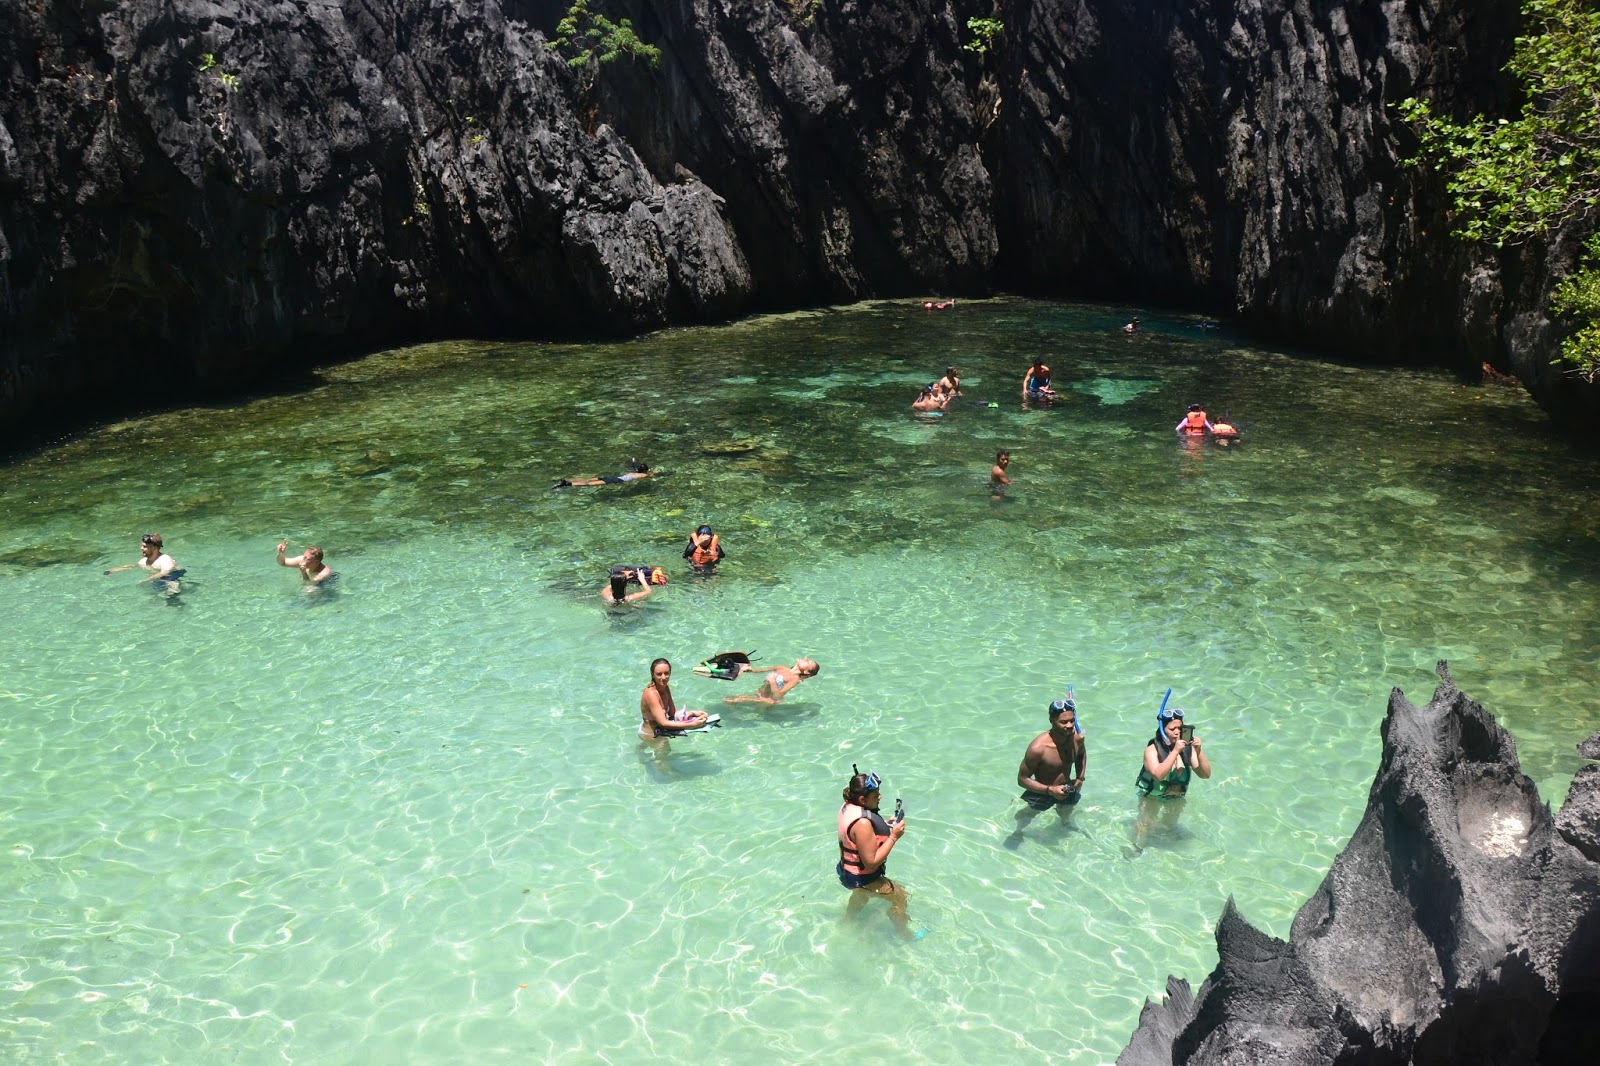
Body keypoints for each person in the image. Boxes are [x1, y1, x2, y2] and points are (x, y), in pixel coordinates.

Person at [837, 765, 913, 938]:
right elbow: (871, 862)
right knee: (900, 896)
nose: (880, 797)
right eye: (875, 795)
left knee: (861, 895)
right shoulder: (862, 823)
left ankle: (848, 921)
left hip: (848, 874)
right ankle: (903, 933)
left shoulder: (848, 807)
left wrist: (884, 825)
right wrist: (894, 836)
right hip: (863, 878)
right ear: (862, 799)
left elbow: (858, 837)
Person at [1133, 704, 1213, 850]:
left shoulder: (1187, 748)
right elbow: (1158, 775)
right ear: (1162, 729)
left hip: (1175, 797)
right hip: (1152, 797)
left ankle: (1164, 848)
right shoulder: (1152, 750)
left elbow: (1205, 774)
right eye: (1172, 729)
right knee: (1144, 825)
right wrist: (1175, 752)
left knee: (1169, 826)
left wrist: (1198, 750)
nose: (1177, 732)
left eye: (1180, 728)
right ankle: (1137, 848)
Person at [1018, 698, 1087, 809]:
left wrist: (1080, 778)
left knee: (1067, 816)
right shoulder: (1038, 748)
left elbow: (1081, 754)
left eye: (1072, 720)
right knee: (1024, 818)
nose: (1070, 725)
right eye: (1063, 722)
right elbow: (1022, 779)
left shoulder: (1077, 738)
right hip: (1042, 793)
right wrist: (1050, 790)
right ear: (1052, 720)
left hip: (1067, 789)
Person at [639, 658, 710, 738]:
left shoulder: (665, 687)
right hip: (651, 735)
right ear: (653, 675)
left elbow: (672, 713)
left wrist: (693, 713)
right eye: (659, 674)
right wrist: (692, 724)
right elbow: (663, 723)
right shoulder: (651, 694)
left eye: (666, 673)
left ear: (670, 673)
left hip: (661, 731)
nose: (664, 677)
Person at [104, 533, 182, 592]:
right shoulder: (144, 561)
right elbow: (133, 566)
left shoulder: (165, 559)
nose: (141, 548)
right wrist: (113, 570)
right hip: (158, 579)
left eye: (144, 546)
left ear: (154, 548)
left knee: (172, 588)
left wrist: (147, 579)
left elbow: (165, 572)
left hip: (174, 576)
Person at [724, 658, 818, 704]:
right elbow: (761, 670)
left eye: (808, 661)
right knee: (731, 701)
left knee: (730, 701)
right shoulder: (781, 668)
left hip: (769, 699)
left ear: (806, 672)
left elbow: (779, 694)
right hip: (760, 693)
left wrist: (773, 681)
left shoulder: (795, 679)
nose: (806, 658)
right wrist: (748, 669)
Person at [554, 459, 660, 488]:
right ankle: (567, 484)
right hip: (616, 480)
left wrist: (633, 461)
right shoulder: (644, 475)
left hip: (613, 477)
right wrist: (656, 472)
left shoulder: (635, 472)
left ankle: (568, 480)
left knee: (590, 479)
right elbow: (651, 475)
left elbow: (634, 466)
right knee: (589, 484)